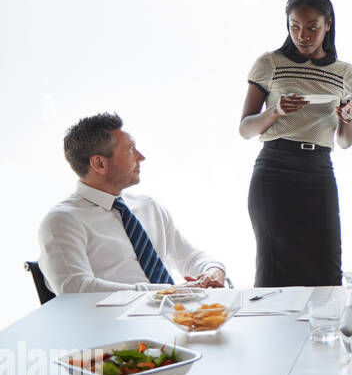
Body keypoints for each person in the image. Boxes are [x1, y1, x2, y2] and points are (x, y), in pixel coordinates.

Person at [240, 0, 352, 288]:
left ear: (328, 24)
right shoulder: (270, 64)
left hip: (318, 172)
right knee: (272, 272)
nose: (302, 36)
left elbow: (345, 141)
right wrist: (276, 111)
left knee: (328, 270)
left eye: (311, 28)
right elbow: (245, 128)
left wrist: (347, 119)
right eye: (294, 27)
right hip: (274, 171)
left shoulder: (345, 73)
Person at [38, 113, 227, 295]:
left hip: (173, 318)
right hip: (112, 325)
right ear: (99, 164)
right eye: (130, 150)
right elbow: (75, 289)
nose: (141, 157)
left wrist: (213, 270)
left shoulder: (149, 206)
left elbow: (189, 257)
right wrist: (168, 292)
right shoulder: (63, 221)